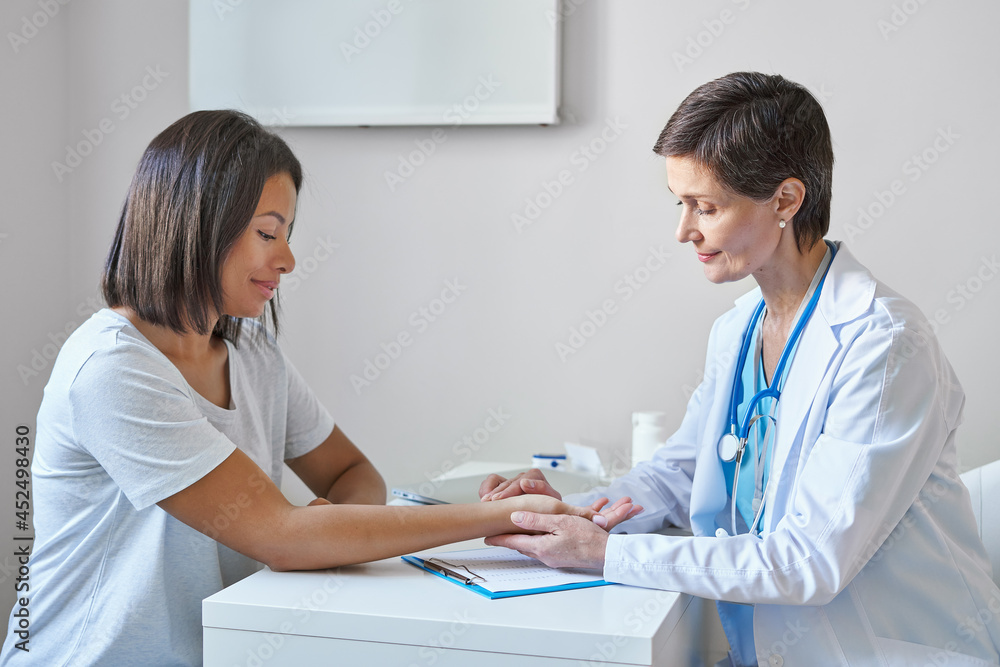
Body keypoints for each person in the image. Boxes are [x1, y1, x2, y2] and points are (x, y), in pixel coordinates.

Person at [0, 110, 638, 666]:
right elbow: (280, 535)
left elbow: (352, 474)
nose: (287, 260)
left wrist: (327, 527)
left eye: (287, 235)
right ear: (197, 224)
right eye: (267, 233)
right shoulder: (113, 370)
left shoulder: (251, 351)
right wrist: (509, 516)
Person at [479, 72, 1000, 666]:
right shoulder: (740, 327)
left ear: (786, 200)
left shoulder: (884, 345)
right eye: (680, 203)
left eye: (706, 207)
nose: (684, 231)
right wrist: (568, 513)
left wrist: (604, 553)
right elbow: (678, 476)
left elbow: (809, 561)